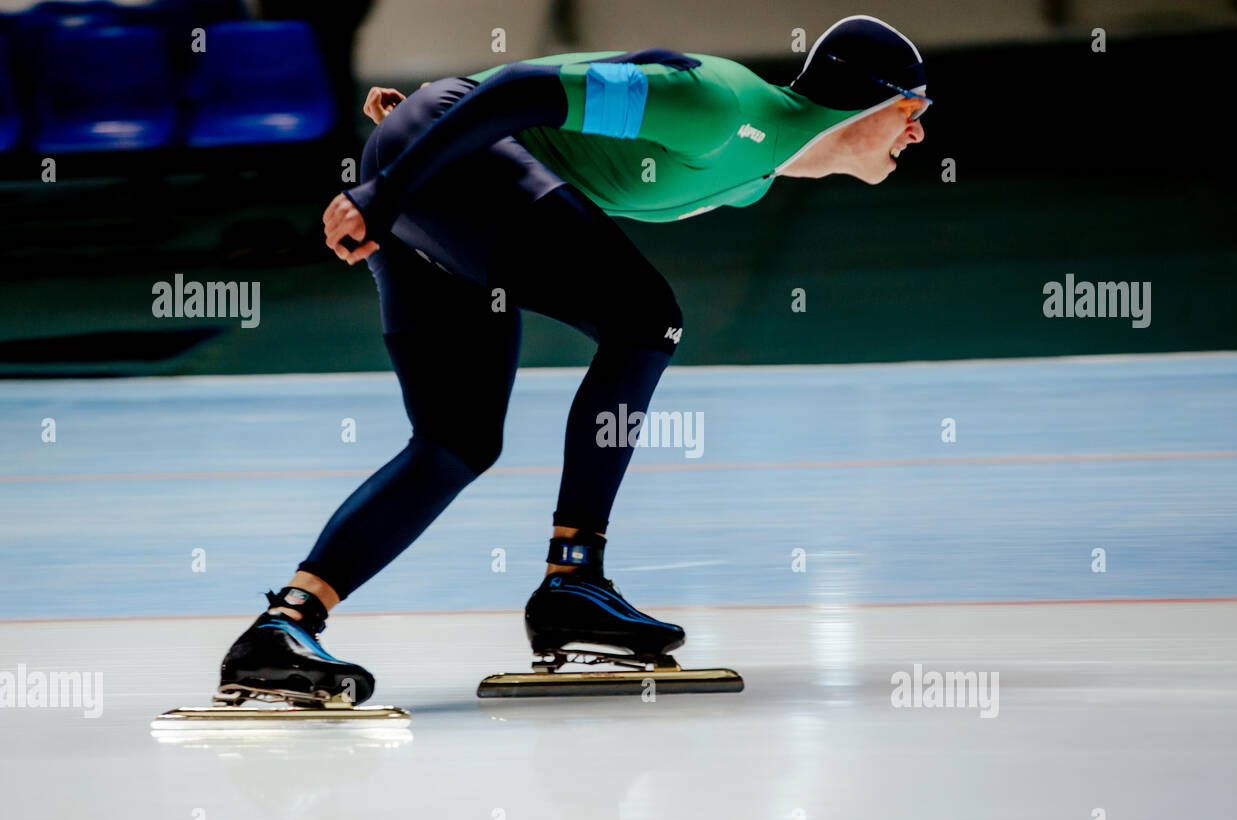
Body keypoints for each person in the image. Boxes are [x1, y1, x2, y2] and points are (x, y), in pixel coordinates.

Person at [216, 14, 930, 705]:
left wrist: (419, 138)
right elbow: (528, 86)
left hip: (444, 166)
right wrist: (394, 178)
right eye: (912, 107)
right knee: (645, 317)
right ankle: (574, 580)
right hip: (434, 163)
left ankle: (281, 629)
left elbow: (550, 102)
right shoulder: (721, 105)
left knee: (455, 442)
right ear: (867, 99)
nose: (919, 130)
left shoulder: (753, 177)